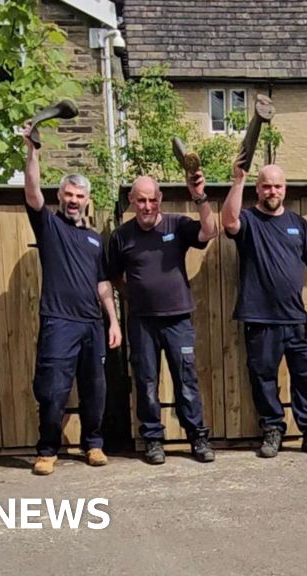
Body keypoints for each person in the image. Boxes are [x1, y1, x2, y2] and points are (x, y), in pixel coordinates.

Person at [222, 158, 307, 458]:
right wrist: (238, 181)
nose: (272, 191)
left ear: (284, 189)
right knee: (263, 378)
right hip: (260, 319)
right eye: (266, 186)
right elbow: (228, 221)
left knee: (304, 376)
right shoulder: (248, 221)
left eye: (277, 185)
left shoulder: (298, 225)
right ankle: (272, 430)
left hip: (296, 319)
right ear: (257, 189)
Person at [22, 123, 122, 475]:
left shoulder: (95, 240)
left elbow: (103, 284)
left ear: (87, 200)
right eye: (69, 194)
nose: (74, 200)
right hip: (58, 322)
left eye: (80, 196)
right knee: (52, 390)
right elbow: (32, 193)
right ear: (61, 197)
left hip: (92, 325)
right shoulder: (49, 227)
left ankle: (93, 445)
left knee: (95, 390)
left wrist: (113, 321)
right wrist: (32, 152)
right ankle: (48, 450)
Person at [105, 174, 217, 464]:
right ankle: (153, 440)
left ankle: (197, 439)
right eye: (141, 200)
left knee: (186, 381)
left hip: (178, 319)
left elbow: (210, 231)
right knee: (146, 382)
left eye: (152, 199)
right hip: (142, 322)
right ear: (131, 201)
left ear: (160, 200)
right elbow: (113, 276)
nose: (147, 205)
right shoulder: (121, 236)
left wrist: (200, 197)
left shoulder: (176, 225)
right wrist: (132, 296)